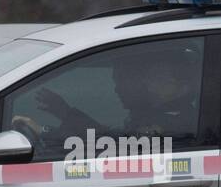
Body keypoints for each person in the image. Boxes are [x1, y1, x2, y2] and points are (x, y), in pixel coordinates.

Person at [11, 44, 200, 155]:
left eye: (158, 78)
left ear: (184, 87)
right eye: (148, 77)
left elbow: (106, 144)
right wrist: (65, 112)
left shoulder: (171, 123)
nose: (148, 84)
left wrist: (44, 131)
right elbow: (108, 134)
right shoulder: (158, 115)